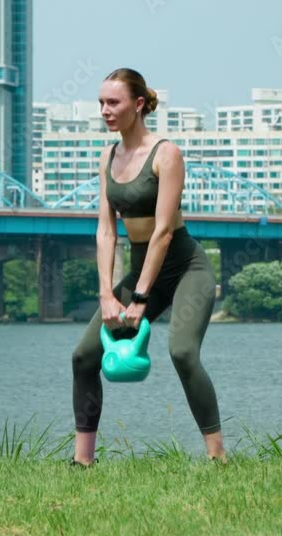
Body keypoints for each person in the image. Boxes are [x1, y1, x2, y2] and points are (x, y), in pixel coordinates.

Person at [70, 68, 226, 466]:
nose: (105, 110)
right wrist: (106, 294)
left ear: (138, 105)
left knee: (183, 352)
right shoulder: (107, 156)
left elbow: (162, 232)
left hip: (184, 269)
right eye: (101, 103)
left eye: (114, 103)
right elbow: (106, 232)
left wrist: (140, 298)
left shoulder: (166, 154)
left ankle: (218, 458)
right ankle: (82, 462)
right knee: (84, 357)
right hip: (141, 272)